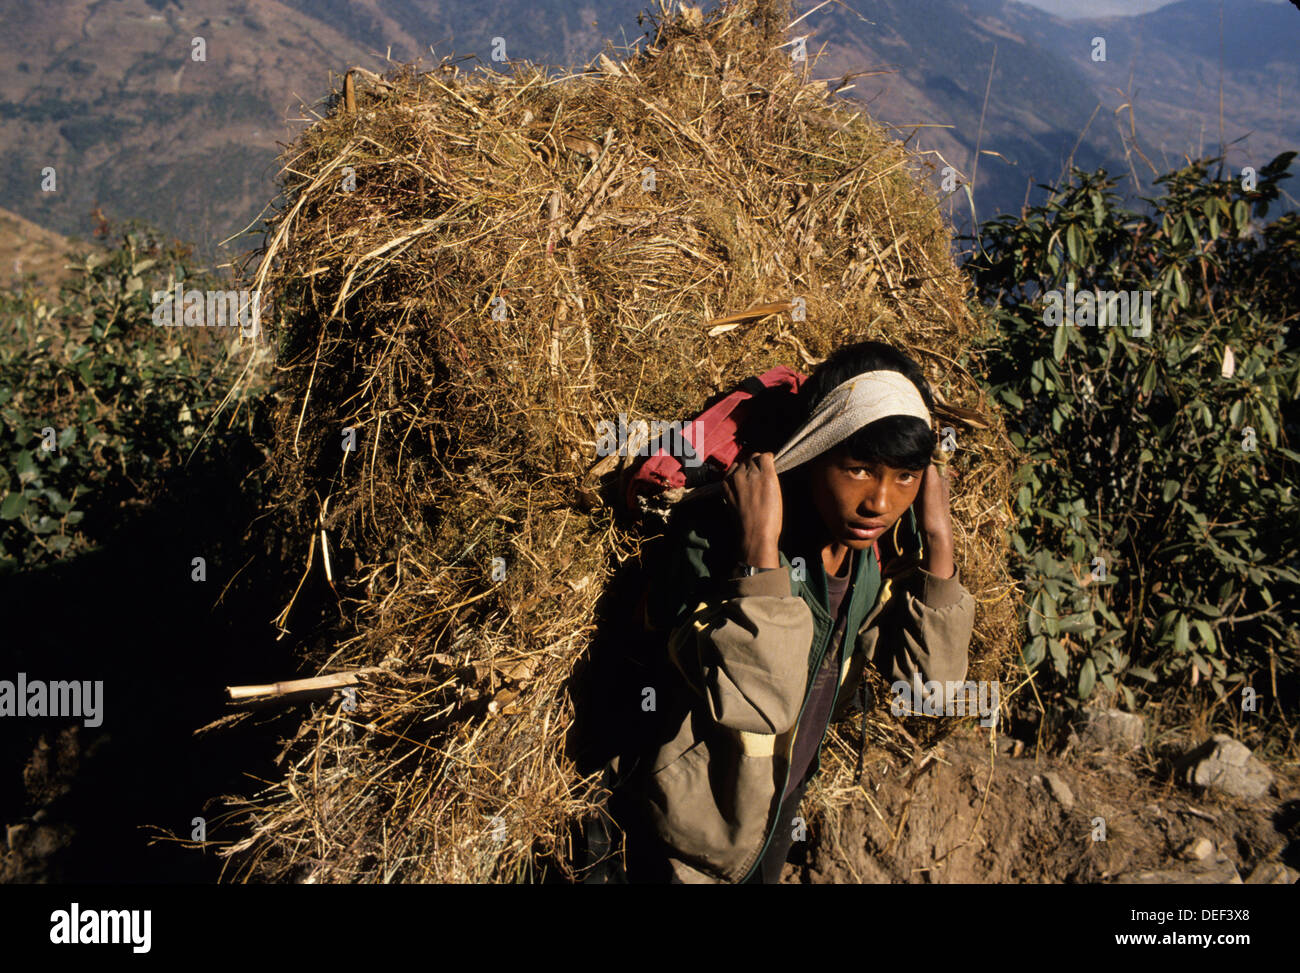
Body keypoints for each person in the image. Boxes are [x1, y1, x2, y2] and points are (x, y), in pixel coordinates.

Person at [615, 340, 975, 884]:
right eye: (858, 469)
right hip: (679, 844)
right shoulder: (715, 542)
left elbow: (932, 694)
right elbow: (763, 703)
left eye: (905, 476)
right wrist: (761, 553)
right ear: (813, 450)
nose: (880, 501)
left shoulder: (865, 566)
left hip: (770, 825)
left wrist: (939, 538)